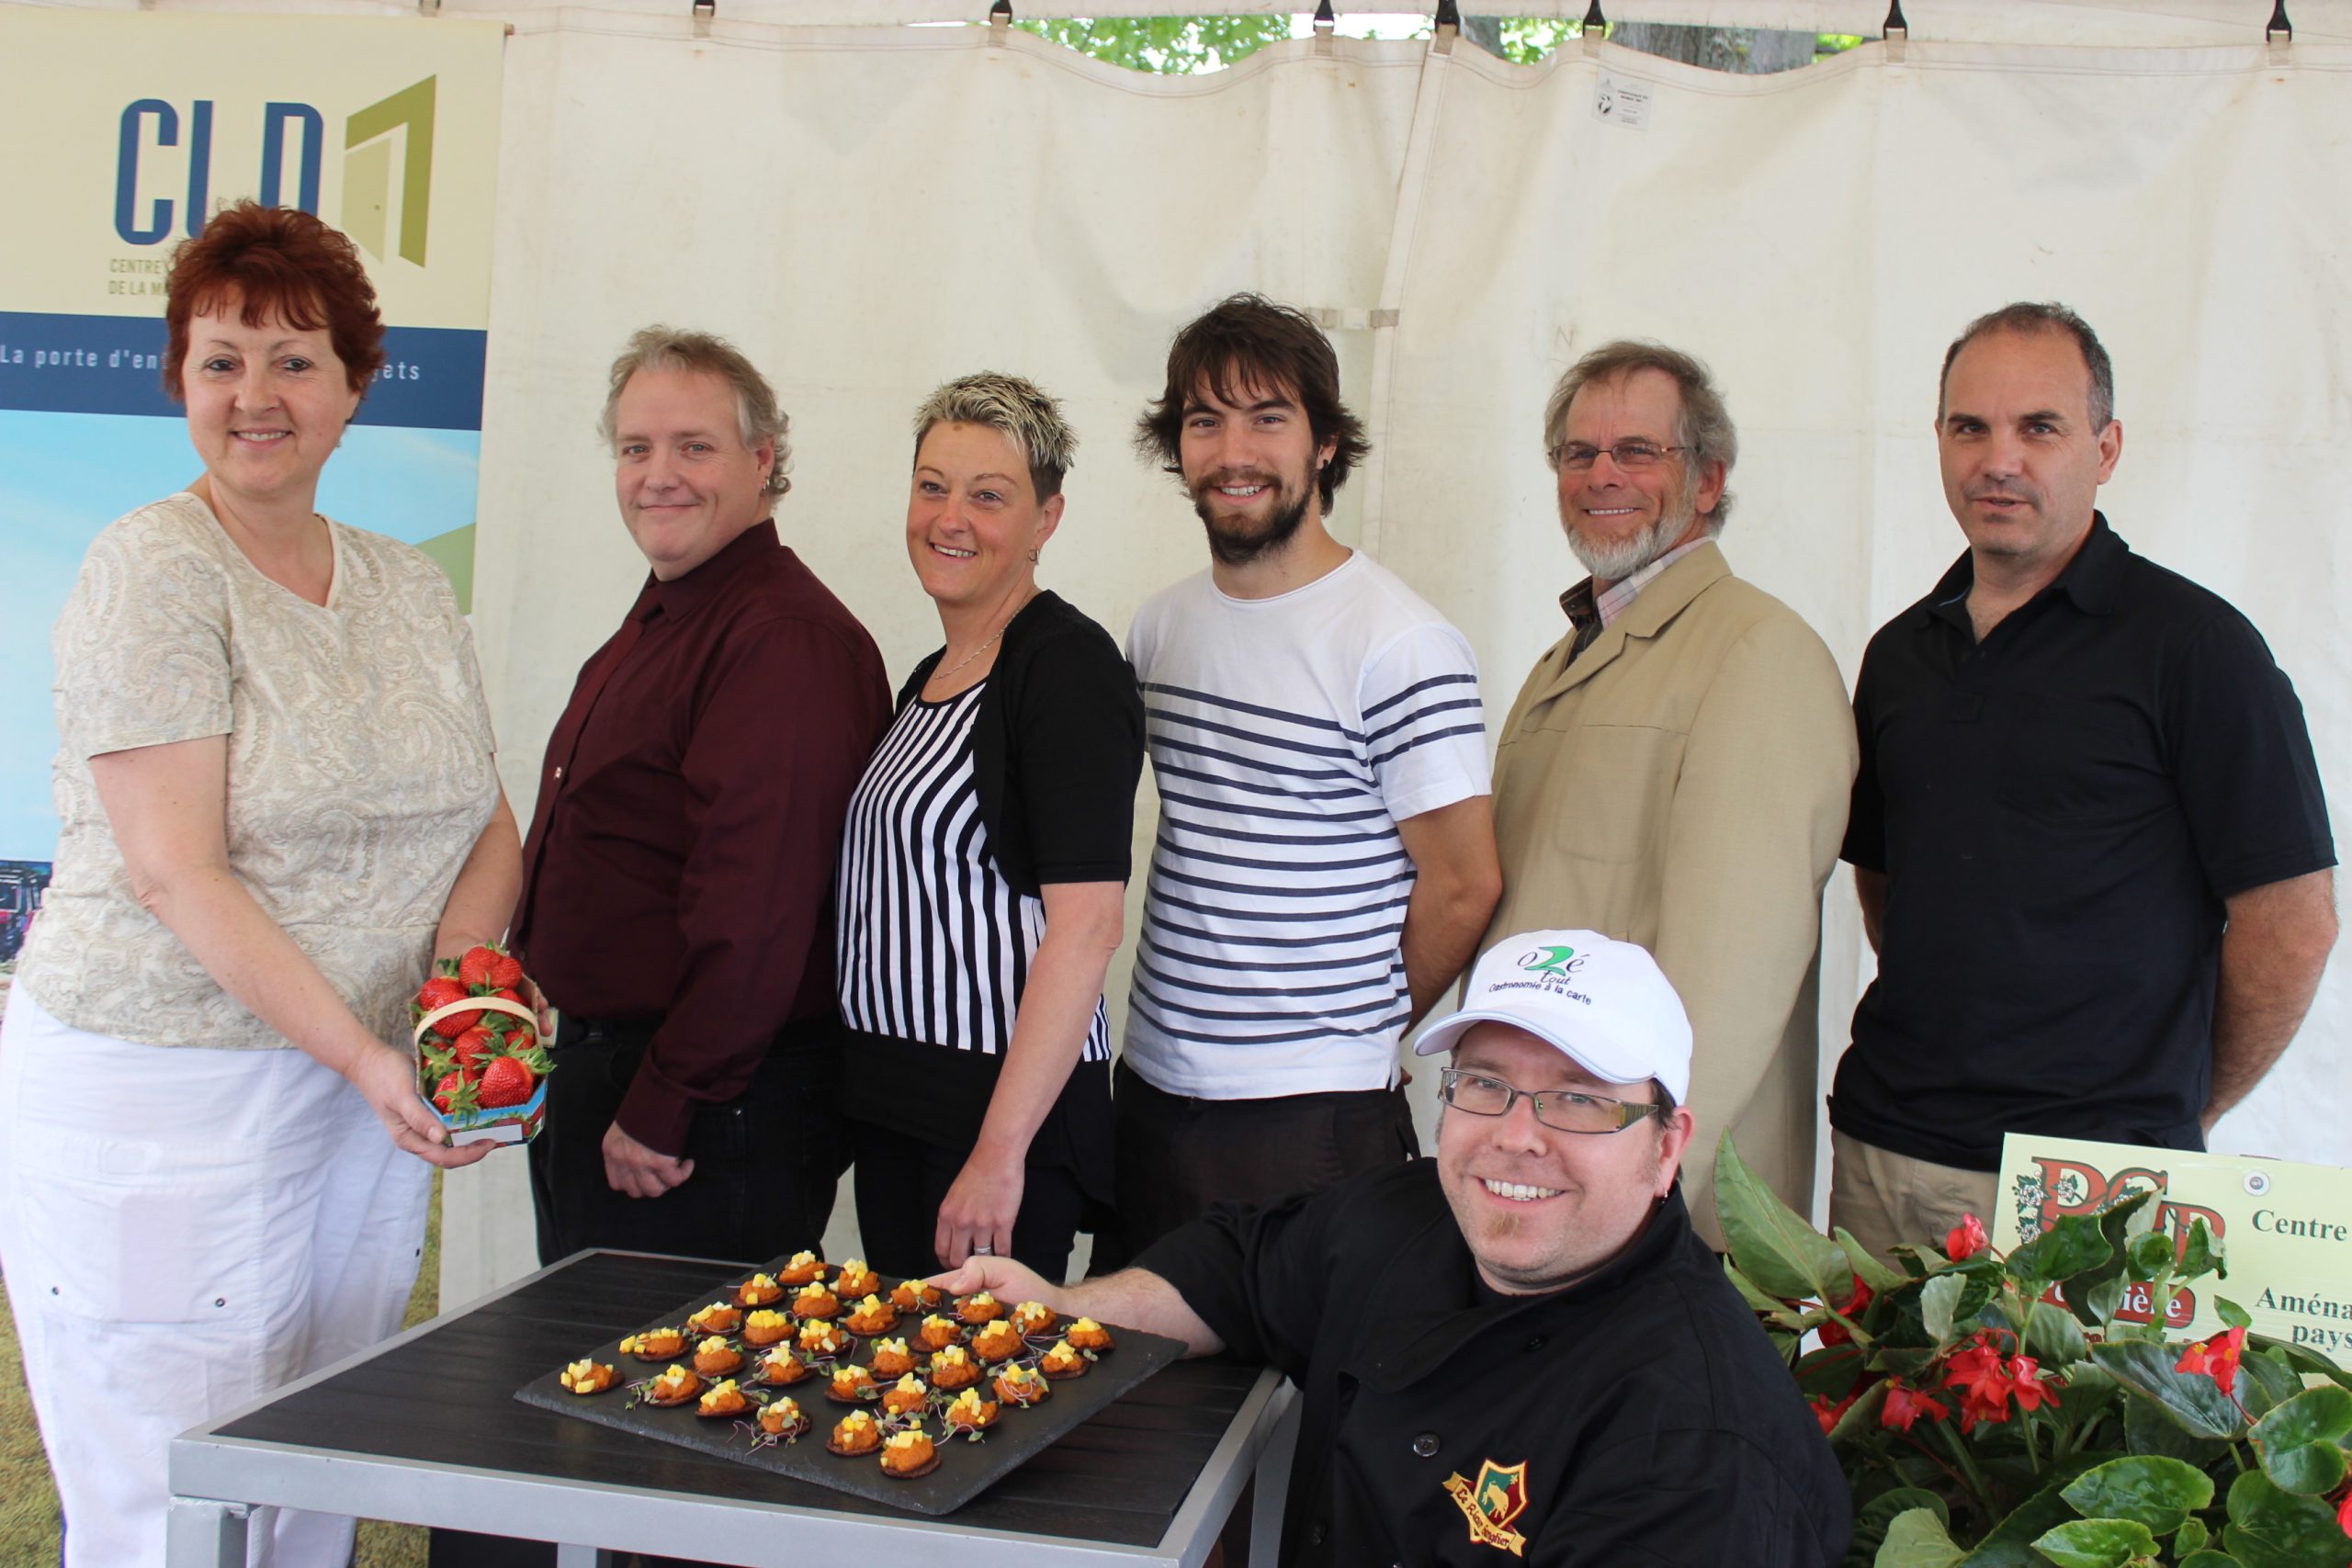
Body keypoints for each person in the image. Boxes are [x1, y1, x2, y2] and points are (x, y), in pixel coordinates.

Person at [0, 200, 517, 1568]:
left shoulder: (407, 584)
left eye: (295, 360)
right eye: (221, 359)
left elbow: (485, 821)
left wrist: (455, 1007)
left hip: (357, 1097)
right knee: (172, 1500)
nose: (256, 395)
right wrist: (368, 1054)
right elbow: (178, 872)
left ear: (354, 386)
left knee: (312, 1471)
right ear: (179, 378)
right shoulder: (151, 569)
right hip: (168, 1089)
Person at [941, 931, 1851, 1566]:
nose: (1517, 1137)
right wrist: (1063, 1311)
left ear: (1666, 1147)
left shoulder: (1699, 1456)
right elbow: (1235, 1268)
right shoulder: (1402, 1218)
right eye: (1485, 1083)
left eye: (1578, 1098)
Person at [1832, 301, 2337, 1258]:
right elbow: (1887, 879)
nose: (1999, 460)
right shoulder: (1899, 655)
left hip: (2091, 1183)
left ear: (2105, 449)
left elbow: (2292, 925)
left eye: (2039, 428)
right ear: (1938, 440)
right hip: (1885, 1152)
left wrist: (2173, 1113)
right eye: (1970, 428)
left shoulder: (2197, 650)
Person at [1114, 293, 1503, 1258]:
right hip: (1152, 1088)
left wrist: (1362, 1029)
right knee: (1135, 1350)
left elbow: (1465, 882)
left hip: (1311, 1117)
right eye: (1205, 421)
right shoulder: (1158, 627)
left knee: (1309, 1358)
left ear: (1325, 443)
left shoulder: (1401, 643)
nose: (1233, 452)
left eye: (1268, 418)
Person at [514, 326, 890, 1266]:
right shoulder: (677, 611)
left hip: (699, 1119)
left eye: (693, 446)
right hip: (621, 1084)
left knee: (664, 1362)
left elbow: (757, 908)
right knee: (583, 1354)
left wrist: (667, 1100)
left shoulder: (779, 638)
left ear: (762, 460)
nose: (658, 476)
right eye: (636, 448)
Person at [1483, 340, 1856, 1246]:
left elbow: (1733, 972)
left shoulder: (1757, 654)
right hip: (1549, 1165)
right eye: (1579, 453)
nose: (1601, 474)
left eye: (1637, 451)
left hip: (1651, 1208)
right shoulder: (1566, 653)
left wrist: (1642, 1187)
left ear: (1707, 480)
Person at [835, 372, 1144, 1280]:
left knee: (978, 1372)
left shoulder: (1065, 669)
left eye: (988, 496)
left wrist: (999, 1152)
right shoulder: (932, 672)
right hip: (898, 1109)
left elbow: (1087, 928)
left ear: (1046, 519)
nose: (950, 518)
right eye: (932, 486)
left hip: (993, 1125)